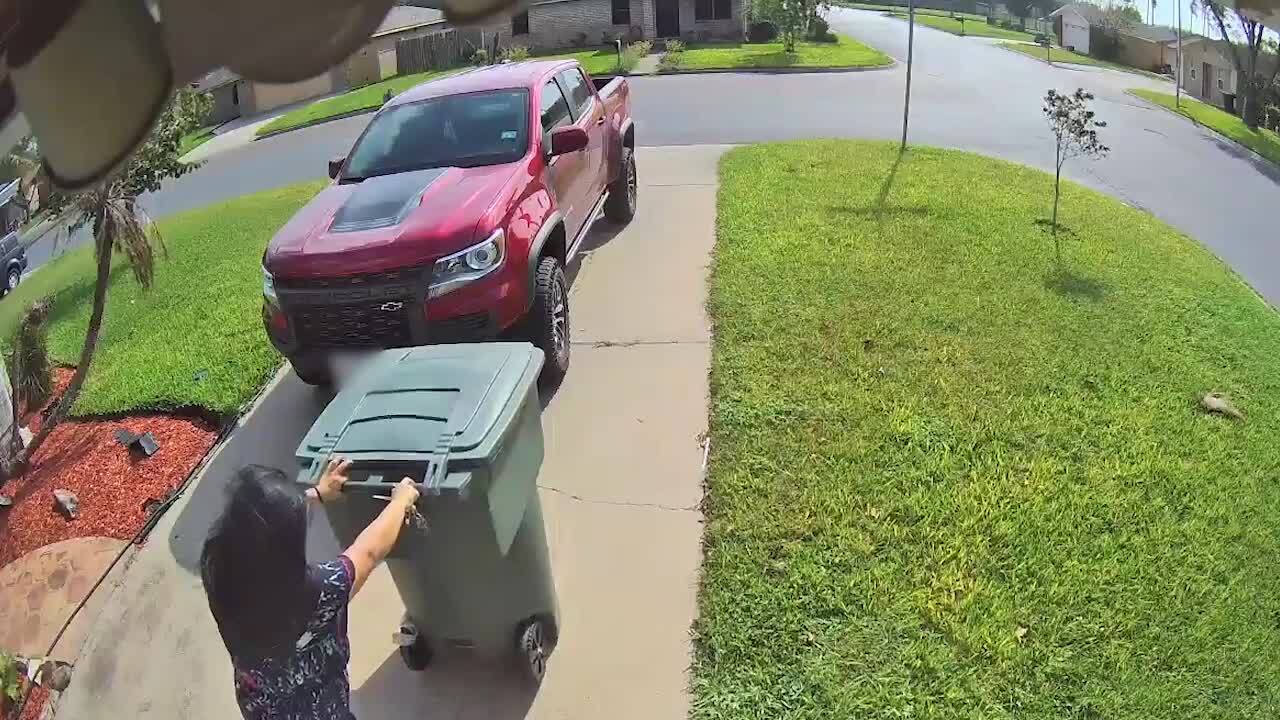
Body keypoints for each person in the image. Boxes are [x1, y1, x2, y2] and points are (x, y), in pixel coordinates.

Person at [200, 457, 420, 720]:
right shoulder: (323, 590)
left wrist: (317, 493)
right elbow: (369, 552)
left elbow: (261, 527)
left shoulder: (220, 573)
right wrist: (400, 502)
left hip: (261, 707)